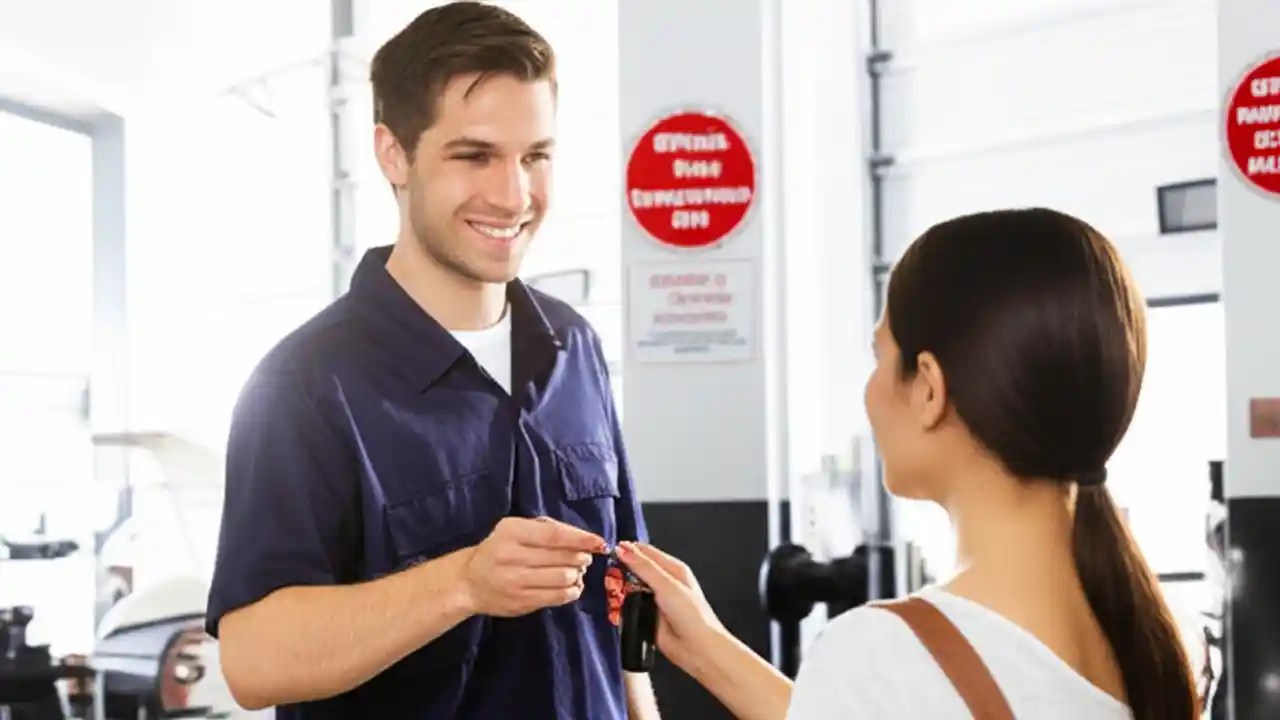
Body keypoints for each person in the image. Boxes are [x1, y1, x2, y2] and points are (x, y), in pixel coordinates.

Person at [203, 3, 658, 719]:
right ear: (394, 154)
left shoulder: (576, 347)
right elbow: (253, 662)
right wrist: (463, 584)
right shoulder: (304, 385)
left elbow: (621, 593)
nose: (514, 195)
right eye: (474, 156)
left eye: (535, 155)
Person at [614, 208, 1199, 720]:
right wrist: (707, 649)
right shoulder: (1155, 648)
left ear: (927, 387)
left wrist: (631, 686)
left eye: (880, 354)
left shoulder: (885, 654)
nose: (869, 390)